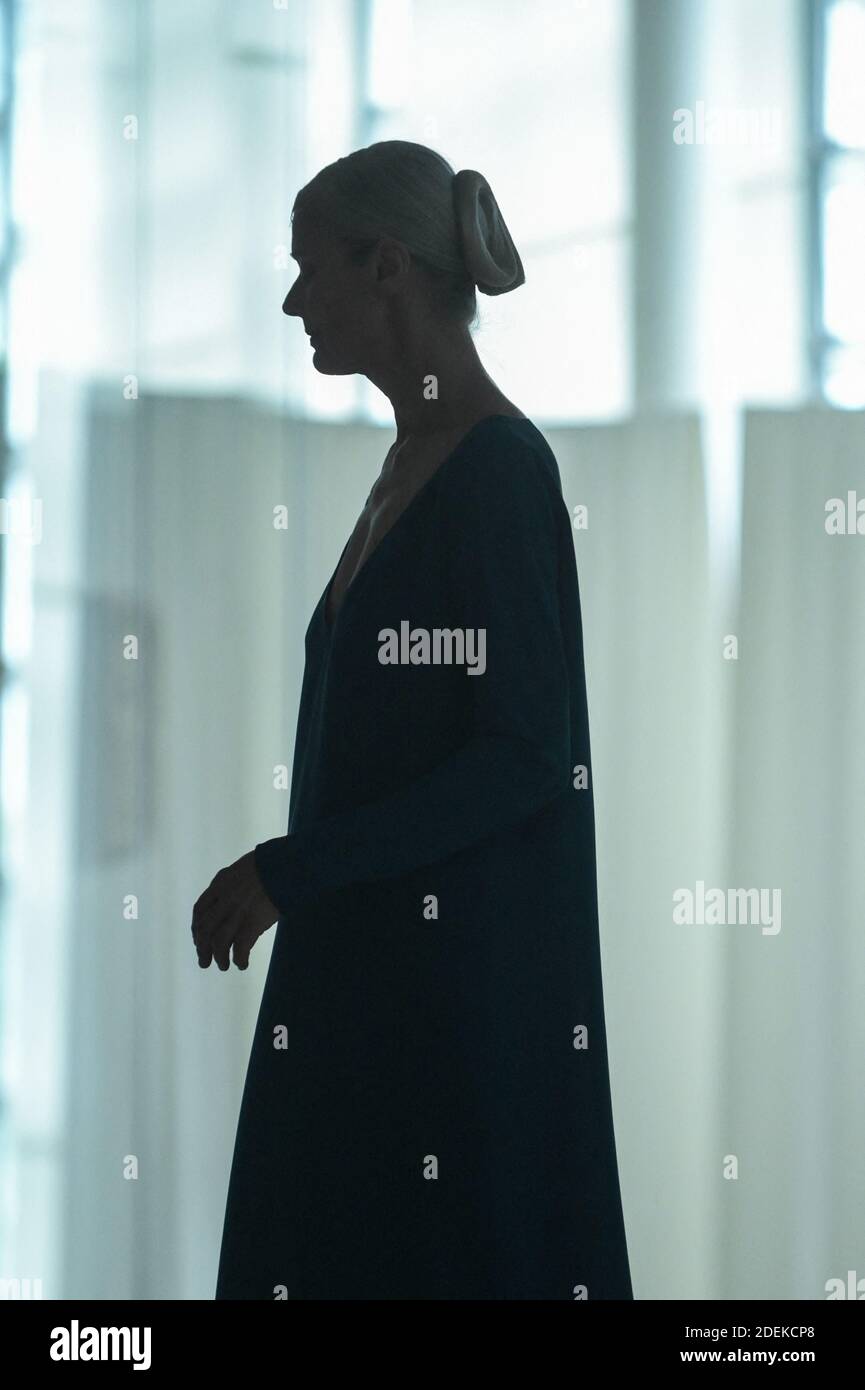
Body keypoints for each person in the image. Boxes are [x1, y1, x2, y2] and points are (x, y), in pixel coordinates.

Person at [193, 140, 633, 1300]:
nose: (291, 300)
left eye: (308, 269)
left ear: (385, 266)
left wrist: (298, 866)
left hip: (443, 1022)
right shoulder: (415, 462)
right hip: (376, 998)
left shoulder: (494, 471)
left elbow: (525, 751)